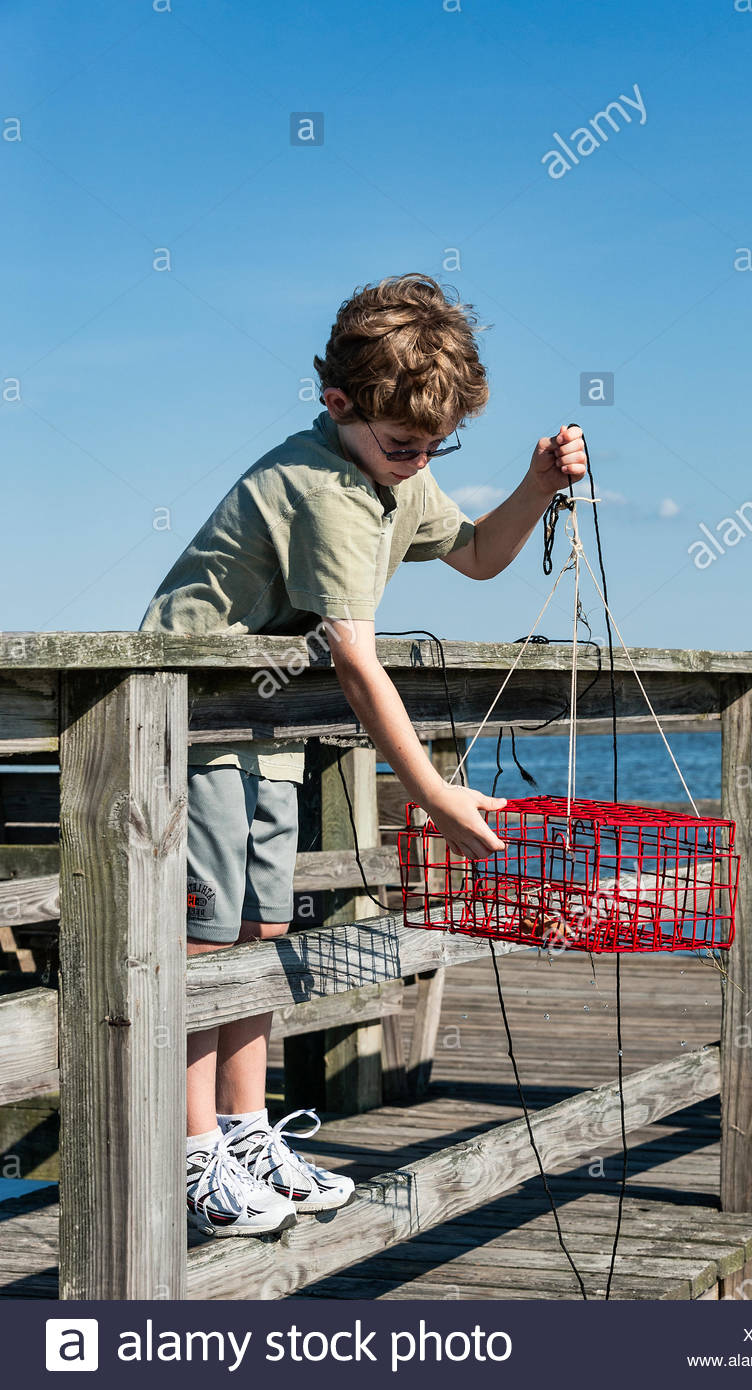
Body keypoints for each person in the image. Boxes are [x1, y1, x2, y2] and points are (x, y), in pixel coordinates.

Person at [139, 271, 587, 1238]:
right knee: (204, 939)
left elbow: (474, 554)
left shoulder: (391, 472)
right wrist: (426, 792)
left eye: (433, 447)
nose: (416, 462)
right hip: (186, 726)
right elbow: (352, 656)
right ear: (338, 402)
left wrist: (536, 484)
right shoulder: (325, 489)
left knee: (256, 930)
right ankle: (186, 1156)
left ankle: (243, 1130)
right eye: (400, 446)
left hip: (262, 730)